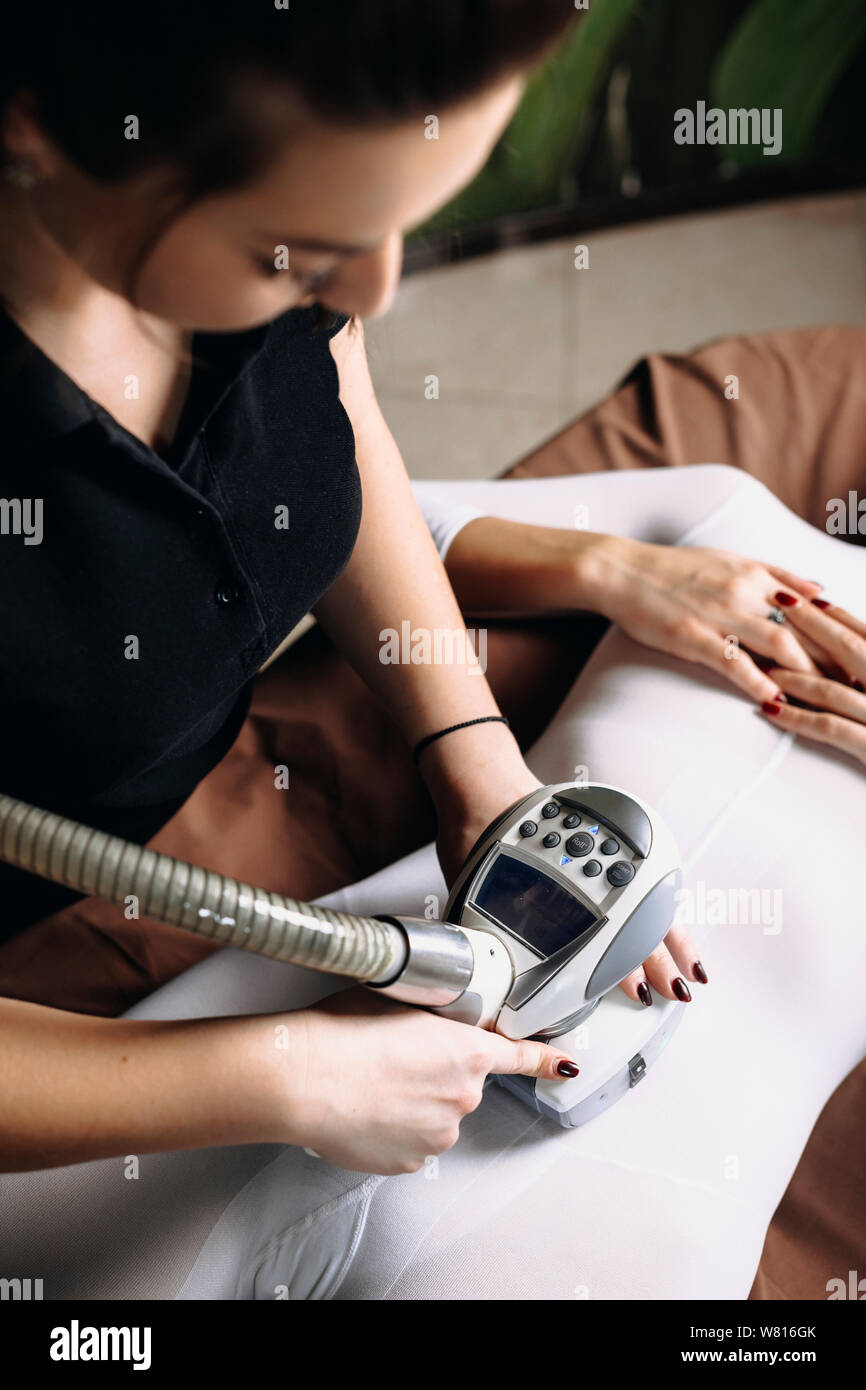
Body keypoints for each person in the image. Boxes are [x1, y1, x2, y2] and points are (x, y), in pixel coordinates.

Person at [0, 2, 863, 1297]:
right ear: (40, 133)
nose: (375, 293)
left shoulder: (274, 275)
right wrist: (279, 1073)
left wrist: (472, 762)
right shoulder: (748, 530)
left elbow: (325, 412)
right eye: (305, 252)